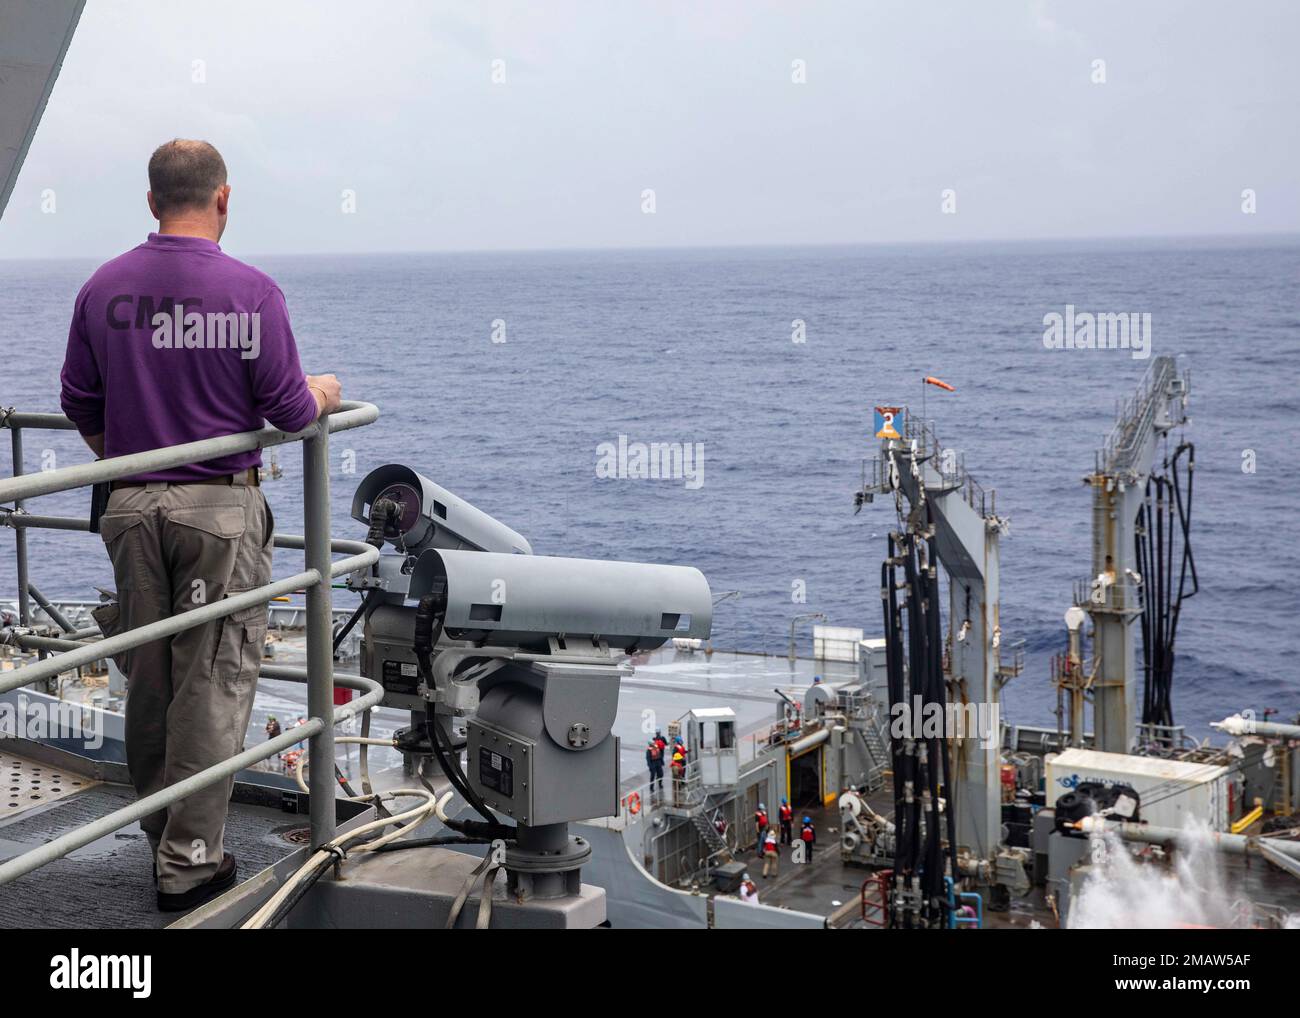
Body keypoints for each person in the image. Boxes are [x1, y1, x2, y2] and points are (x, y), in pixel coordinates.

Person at [59, 139, 342, 912]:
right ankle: (187, 864)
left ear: (152, 201)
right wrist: (323, 390)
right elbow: (289, 409)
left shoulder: (103, 288)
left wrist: (131, 463)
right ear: (223, 198)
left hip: (128, 506)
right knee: (212, 683)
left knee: (149, 677)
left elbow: (79, 401)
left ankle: (165, 837)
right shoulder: (251, 292)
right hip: (218, 511)